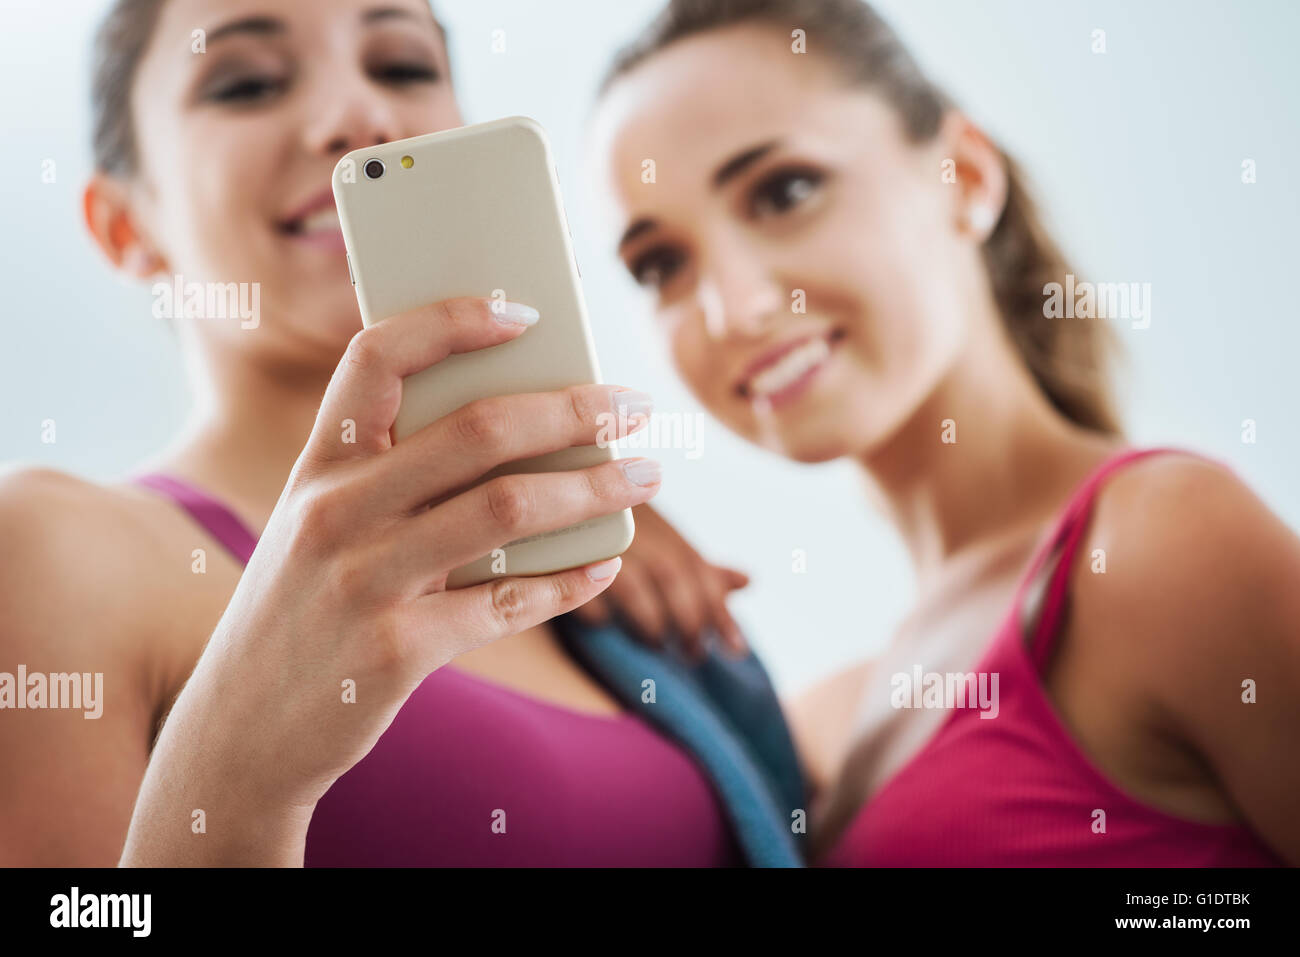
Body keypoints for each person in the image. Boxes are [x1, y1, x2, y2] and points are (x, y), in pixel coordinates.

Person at [0, 0, 804, 867]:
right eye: (247, 83)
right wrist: (233, 777)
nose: (360, 117)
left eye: (401, 66)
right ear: (127, 228)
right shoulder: (56, 551)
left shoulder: (601, 575)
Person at [589, 0, 1300, 865]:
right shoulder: (819, 730)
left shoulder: (1164, 543)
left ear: (963, 176)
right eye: (661, 263)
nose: (732, 307)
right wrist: (577, 552)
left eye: (785, 191)